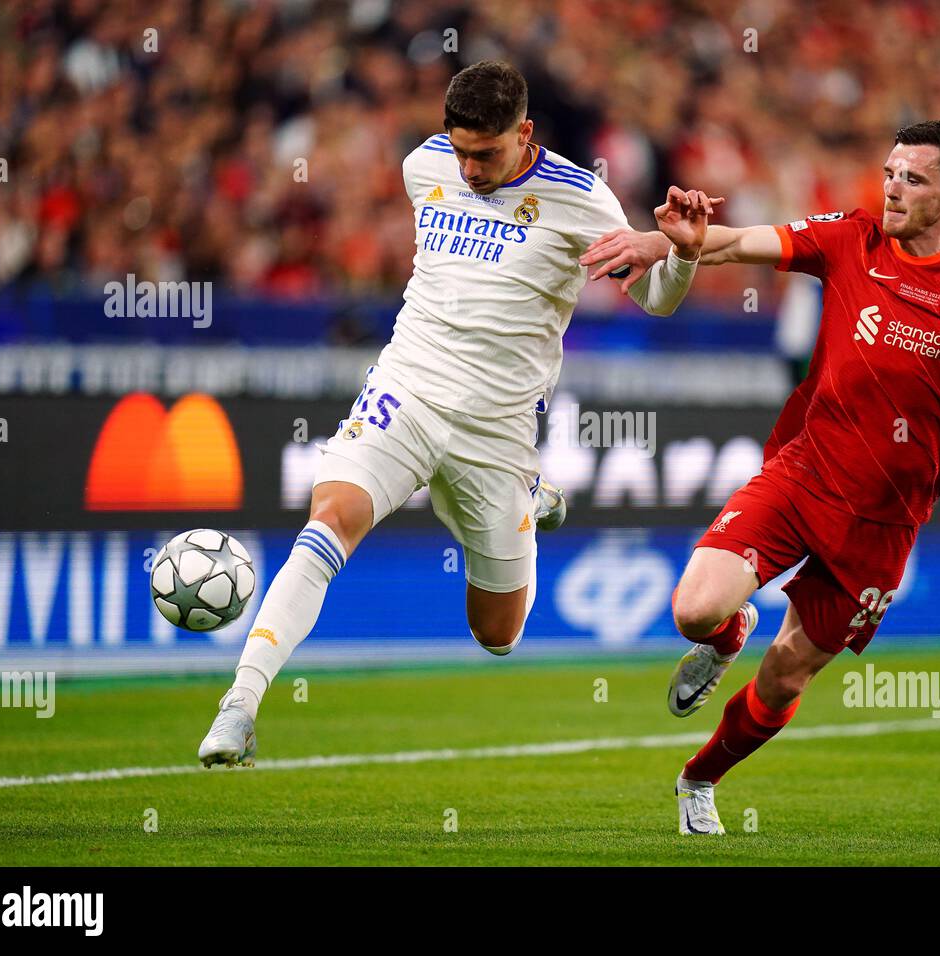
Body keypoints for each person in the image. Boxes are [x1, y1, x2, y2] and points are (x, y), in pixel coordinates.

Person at [197, 60, 715, 767]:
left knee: (497, 634)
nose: (469, 169)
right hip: (408, 387)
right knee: (328, 522)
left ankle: (526, 498)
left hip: (495, 430)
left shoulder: (579, 198)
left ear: (524, 132)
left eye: (488, 154)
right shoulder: (425, 167)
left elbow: (655, 298)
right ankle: (240, 705)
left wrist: (681, 256)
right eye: (461, 150)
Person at [582, 120, 940, 834]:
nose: (894, 187)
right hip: (804, 474)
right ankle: (724, 636)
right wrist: (665, 241)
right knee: (693, 609)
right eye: (891, 172)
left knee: (786, 676)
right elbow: (740, 241)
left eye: (915, 179)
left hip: (884, 521)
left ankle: (699, 778)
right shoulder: (851, 238)